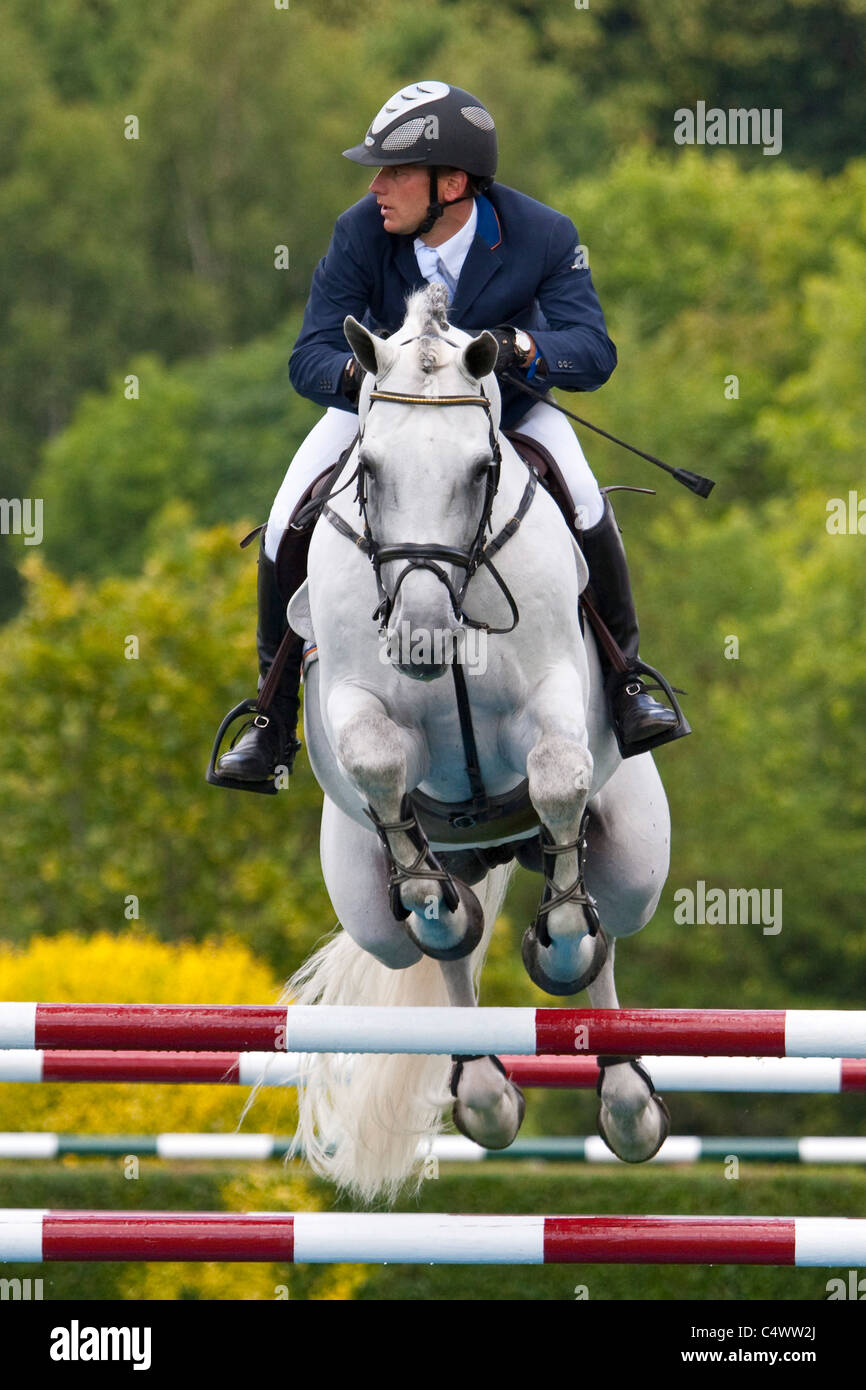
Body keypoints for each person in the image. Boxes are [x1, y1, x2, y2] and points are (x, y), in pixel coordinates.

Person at [211, 80, 686, 792]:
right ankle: (272, 722)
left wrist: (524, 347)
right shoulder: (359, 232)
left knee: (584, 497)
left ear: (452, 183)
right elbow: (307, 356)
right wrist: (376, 378)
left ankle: (626, 683)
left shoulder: (543, 235)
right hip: (384, 411)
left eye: (395, 171)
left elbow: (594, 350)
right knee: (286, 518)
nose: (377, 187)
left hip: (508, 416)